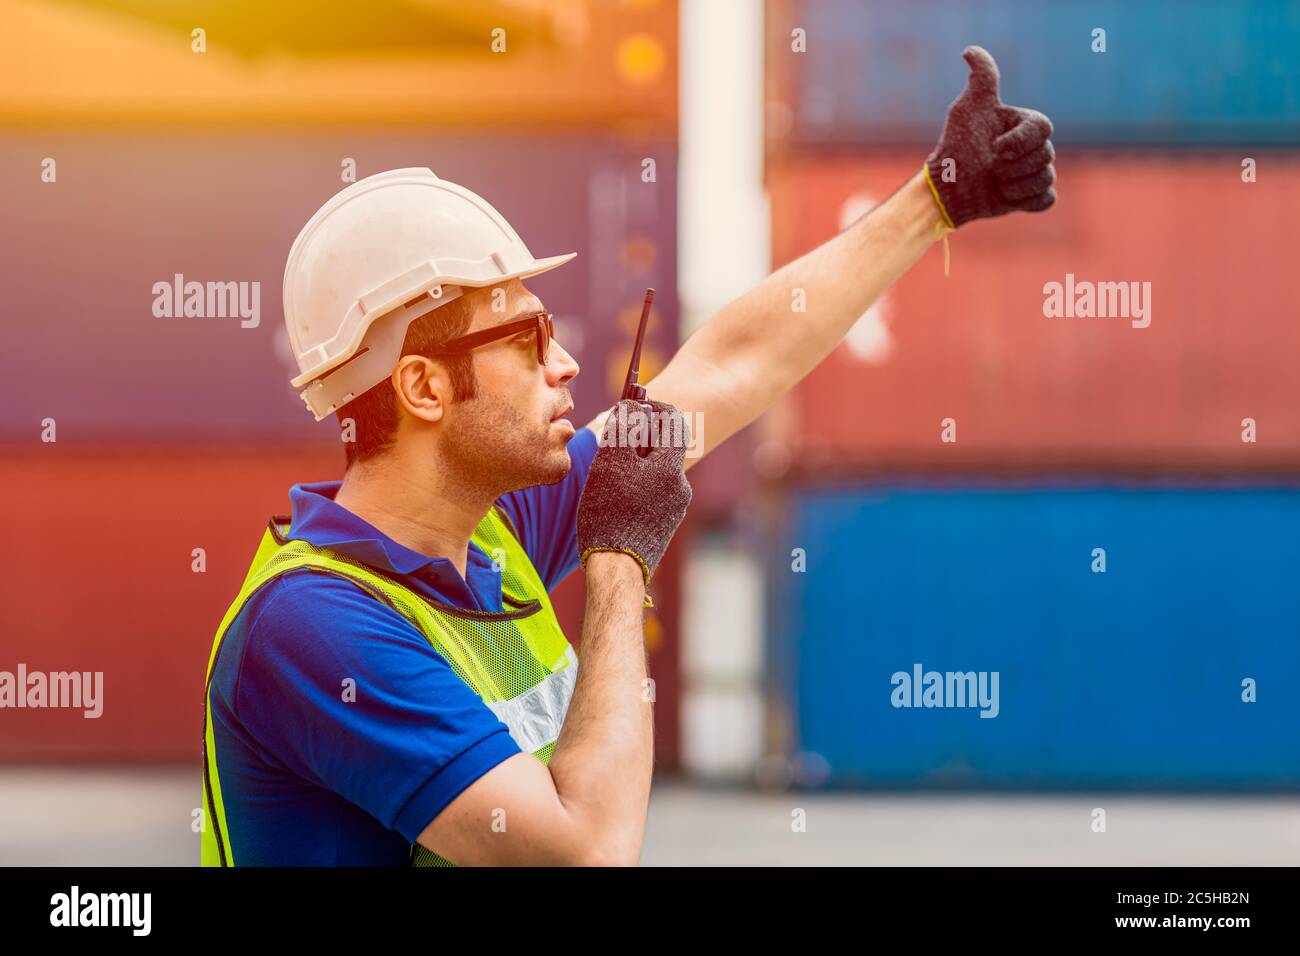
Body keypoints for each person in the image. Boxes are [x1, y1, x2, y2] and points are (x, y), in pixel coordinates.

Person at [201, 46, 1056, 866]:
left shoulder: (489, 533)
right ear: (423, 389)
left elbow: (727, 366)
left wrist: (932, 201)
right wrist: (619, 559)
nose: (565, 363)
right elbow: (585, 851)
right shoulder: (313, 626)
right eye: (528, 338)